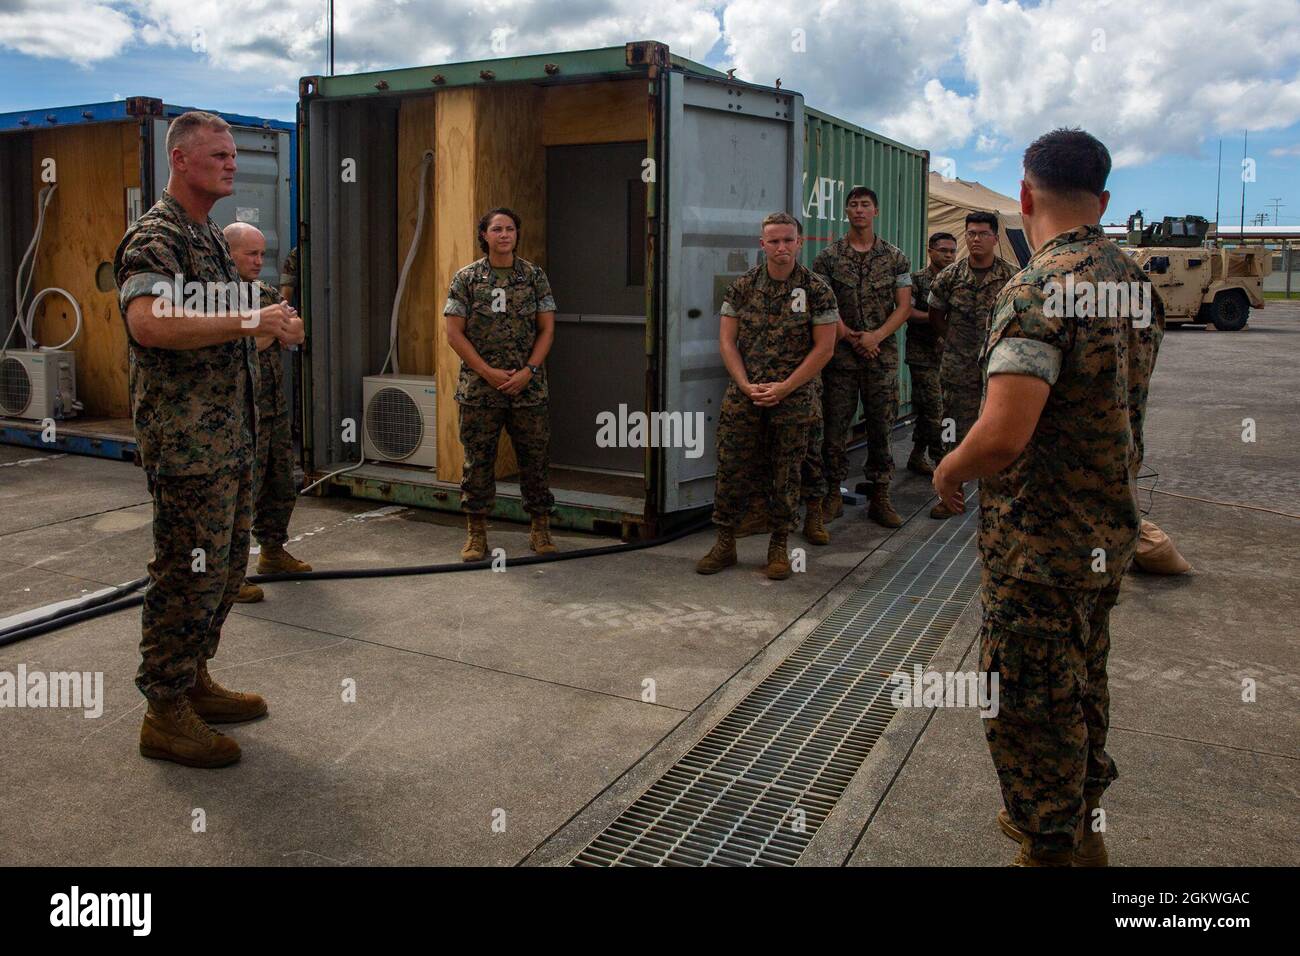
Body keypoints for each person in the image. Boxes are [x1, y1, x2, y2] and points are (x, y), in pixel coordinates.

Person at [932, 128, 1163, 866]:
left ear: (1025, 197)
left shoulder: (1034, 287)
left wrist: (950, 470)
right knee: (1082, 679)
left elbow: (1002, 433)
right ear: (1102, 200)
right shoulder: (1132, 280)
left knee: (1030, 700)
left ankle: (1050, 843)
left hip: (1038, 546)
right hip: (1104, 534)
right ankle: (1082, 824)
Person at [114, 111, 303, 768]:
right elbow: (150, 322)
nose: (230, 162)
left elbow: (229, 324)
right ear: (181, 159)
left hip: (233, 438)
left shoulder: (213, 240)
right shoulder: (157, 235)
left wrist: (270, 325)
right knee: (184, 574)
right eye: (218, 154)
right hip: (188, 443)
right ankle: (164, 709)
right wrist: (253, 318)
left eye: (232, 154)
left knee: (224, 573)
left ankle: (193, 677)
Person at [697, 212, 837, 579]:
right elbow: (727, 341)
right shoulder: (743, 286)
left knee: (786, 472)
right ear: (762, 244)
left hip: (793, 396)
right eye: (773, 241)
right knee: (731, 466)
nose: (781, 247)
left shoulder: (817, 290)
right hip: (747, 393)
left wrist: (786, 387)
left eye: (788, 240)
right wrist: (744, 384)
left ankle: (779, 545)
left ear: (799, 243)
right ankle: (725, 542)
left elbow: (824, 349)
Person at [444, 207, 557, 561]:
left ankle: (540, 530)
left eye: (510, 228)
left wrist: (529, 371)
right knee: (478, 462)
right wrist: (487, 371)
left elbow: (547, 329)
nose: (504, 234)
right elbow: (453, 333)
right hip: (480, 391)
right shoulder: (467, 278)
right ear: (485, 235)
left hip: (528, 390)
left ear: (517, 234)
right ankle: (477, 535)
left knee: (534, 460)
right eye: (497, 229)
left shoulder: (534, 276)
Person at [812, 187, 913, 528]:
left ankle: (880, 495)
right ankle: (832, 494)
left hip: (880, 358)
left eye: (865, 205)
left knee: (881, 426)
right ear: (846, 212)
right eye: (853, 205)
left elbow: (904, 307)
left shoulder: (895, 258)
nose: (859, 210)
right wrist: (851, 337)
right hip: (840, 358)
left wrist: (875, 337)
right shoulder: (827, 258)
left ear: (875, 211)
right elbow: (826, 306)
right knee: (834, 427)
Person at [224, 222, 313, 606]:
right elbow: (238, 349)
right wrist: (269, 331)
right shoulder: (218, 299)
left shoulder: (265, 293)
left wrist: (273, 331)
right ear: (230, 254)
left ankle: (273, 551)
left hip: (273, 408)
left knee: (280, 481)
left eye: (262, 254)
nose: (260, 261)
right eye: (251, 254)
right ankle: (231, 574)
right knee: (244, 491)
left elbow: (298, 333)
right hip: (240, 413)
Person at [926, 212, 1017, 518]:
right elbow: (935, 313)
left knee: (1002, 430)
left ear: (995, 238)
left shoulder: (1013, 277)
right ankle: (951, 494)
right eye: (970, 234)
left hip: (999, 369)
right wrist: (950, 340)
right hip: (958, 368)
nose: (975, 239)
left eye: (982, 233)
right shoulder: (949, 277)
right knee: (952, 429)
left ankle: (1002, 498)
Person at [904, 232, 957, 475]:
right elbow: (907, 312)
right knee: (936, 410)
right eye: (943, 250)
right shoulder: (917, 280)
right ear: (930, 251)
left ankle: (916, 455)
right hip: (922, 356)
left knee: (933, 410)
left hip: (948, 357)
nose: (948, 255)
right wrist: (936, 318)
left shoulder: (957, 280)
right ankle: (942, 463)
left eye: (952, 251)